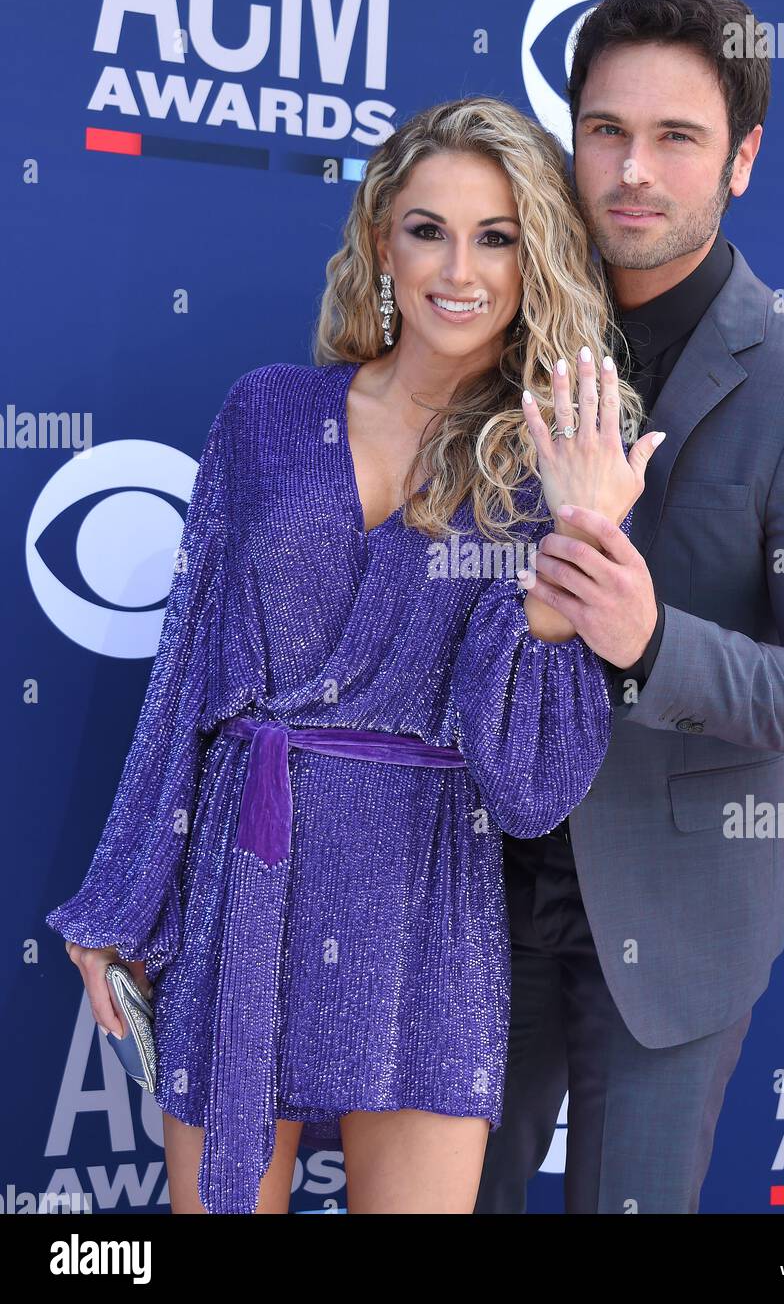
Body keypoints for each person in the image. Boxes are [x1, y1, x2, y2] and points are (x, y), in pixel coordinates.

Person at [45, 96, 664, 1214]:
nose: (457, 269)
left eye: (496, 235)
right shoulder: (268, 416)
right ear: (382, 240)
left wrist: (577, 544)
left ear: (536, 258)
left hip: (426, 892)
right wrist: (121, 906)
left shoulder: (550, 461)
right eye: (427, 229)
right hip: (249, 870)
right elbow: (185, 673)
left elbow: (527, 786)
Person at [475, 0, 784, 1214]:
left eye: (676, 138)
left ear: (743, 158)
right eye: (604, 131)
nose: (630, 172)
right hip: (467, 892)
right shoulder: (500, 327)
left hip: (668, 933)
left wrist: (654, 643)